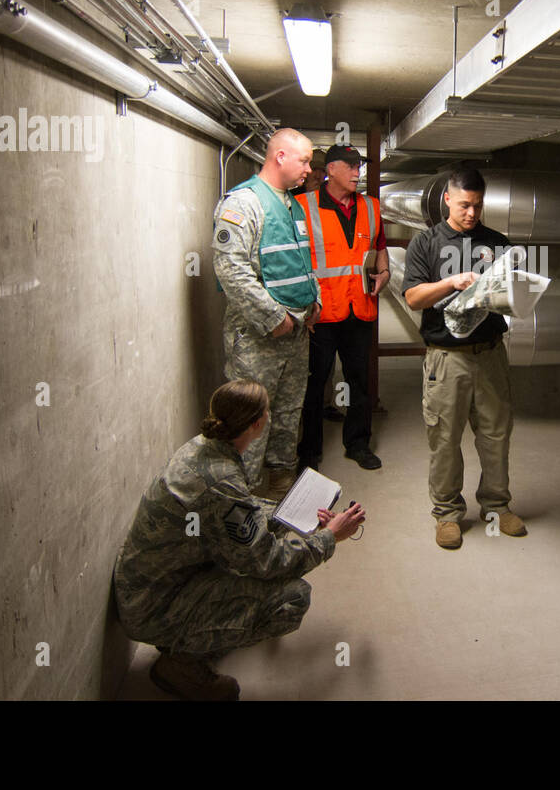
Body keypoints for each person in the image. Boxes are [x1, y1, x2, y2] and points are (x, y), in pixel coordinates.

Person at [113, 380, 365, 700]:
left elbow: (240, 513)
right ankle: (182, 662)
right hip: (153, 608)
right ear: (258, 423)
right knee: (292, 598)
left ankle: (190, 635)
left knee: (246, 564)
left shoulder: (205, 447)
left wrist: (294, 516)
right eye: (268, 412)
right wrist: (329, 538)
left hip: (154, 584)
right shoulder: (221, 478)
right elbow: (267, 562)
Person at [402, 167, 525, 549]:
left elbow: (510, 297)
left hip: (489, 354)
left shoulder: (498, 243)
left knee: (495, 436)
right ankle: (447, 514)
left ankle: (497, 506)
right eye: (464, 205)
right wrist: (450, 283)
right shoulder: (426, 243)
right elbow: (412, 298)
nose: (471, 213)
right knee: (445, 438)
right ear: (447, 201)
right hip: (446, 358)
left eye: (477, 205)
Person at [212, 128, 320, 498]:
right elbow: (231, 270)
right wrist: (274, 318)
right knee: (251, 422)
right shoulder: (243, 203)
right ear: (280, 157)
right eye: (305, 160)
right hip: (258, 338)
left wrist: (313, 301)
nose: (309, 169)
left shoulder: (291, 203)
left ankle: (280, 495)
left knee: (289, 416)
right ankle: (244, 504)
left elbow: (301, 261)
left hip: (296, 333)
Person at [296, 144, 389, 471]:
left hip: (359, 309)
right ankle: (309, 453)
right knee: (314, 384)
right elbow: (293, 260)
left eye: (359, 166)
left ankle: (358, 444)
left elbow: (379, 246)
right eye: (350, 166)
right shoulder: (301, 206)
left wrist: (386, 270)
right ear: (331, 169)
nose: (356, 172)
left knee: (359, 381)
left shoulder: (370, 206)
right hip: (319, 314)